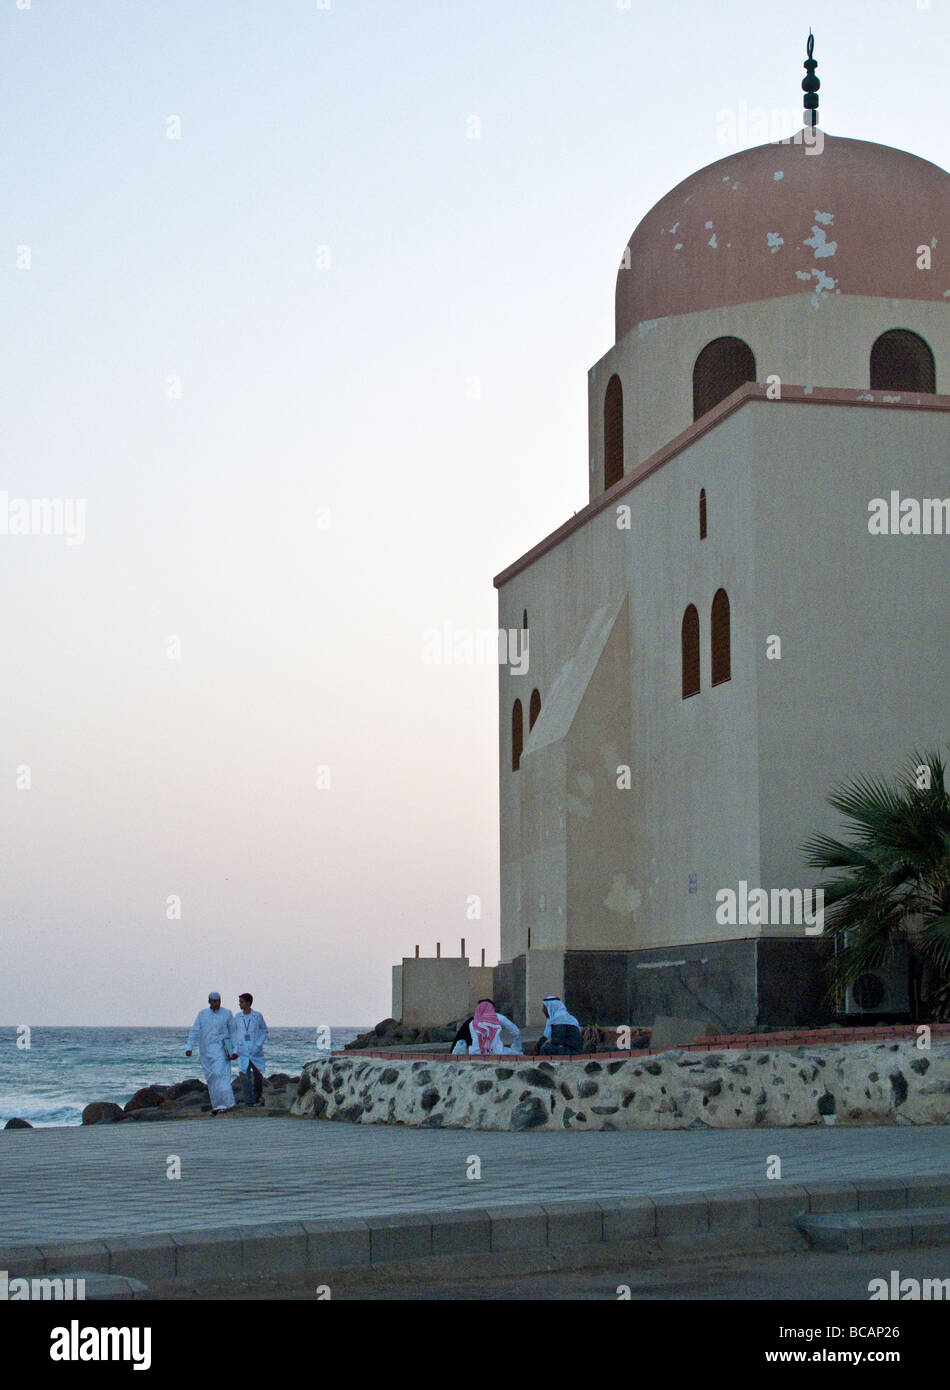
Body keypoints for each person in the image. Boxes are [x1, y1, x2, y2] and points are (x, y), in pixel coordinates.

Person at [186, 992, 236, 1114]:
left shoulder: (227, 1013)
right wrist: (189, 1047)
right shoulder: (202, 1014)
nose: (216, 1003)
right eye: (214, 1001)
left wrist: (235, 1050)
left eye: (218, 1001)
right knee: (211, 1078)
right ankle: (217, 1105)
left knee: (220, 1075)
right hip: (205, 1051)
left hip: (221, 1050)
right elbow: (195, 1031)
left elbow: (234, 1032)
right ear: (209, 1001)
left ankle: (228, 1104)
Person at [230, 992, 268, 1107]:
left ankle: (257, 1098)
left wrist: (258, 1044)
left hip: (255, 1051)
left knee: (257, 1076)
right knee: (244, 1076)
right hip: (243, 1051)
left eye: (242, 1002)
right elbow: (234, 1033)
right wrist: (236, 1049)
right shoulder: (237, 1017)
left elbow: (264, 1030)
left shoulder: (257, 1016)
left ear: (248, 1003)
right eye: (239, 1002)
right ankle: (249, 1101)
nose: (240, 1004)